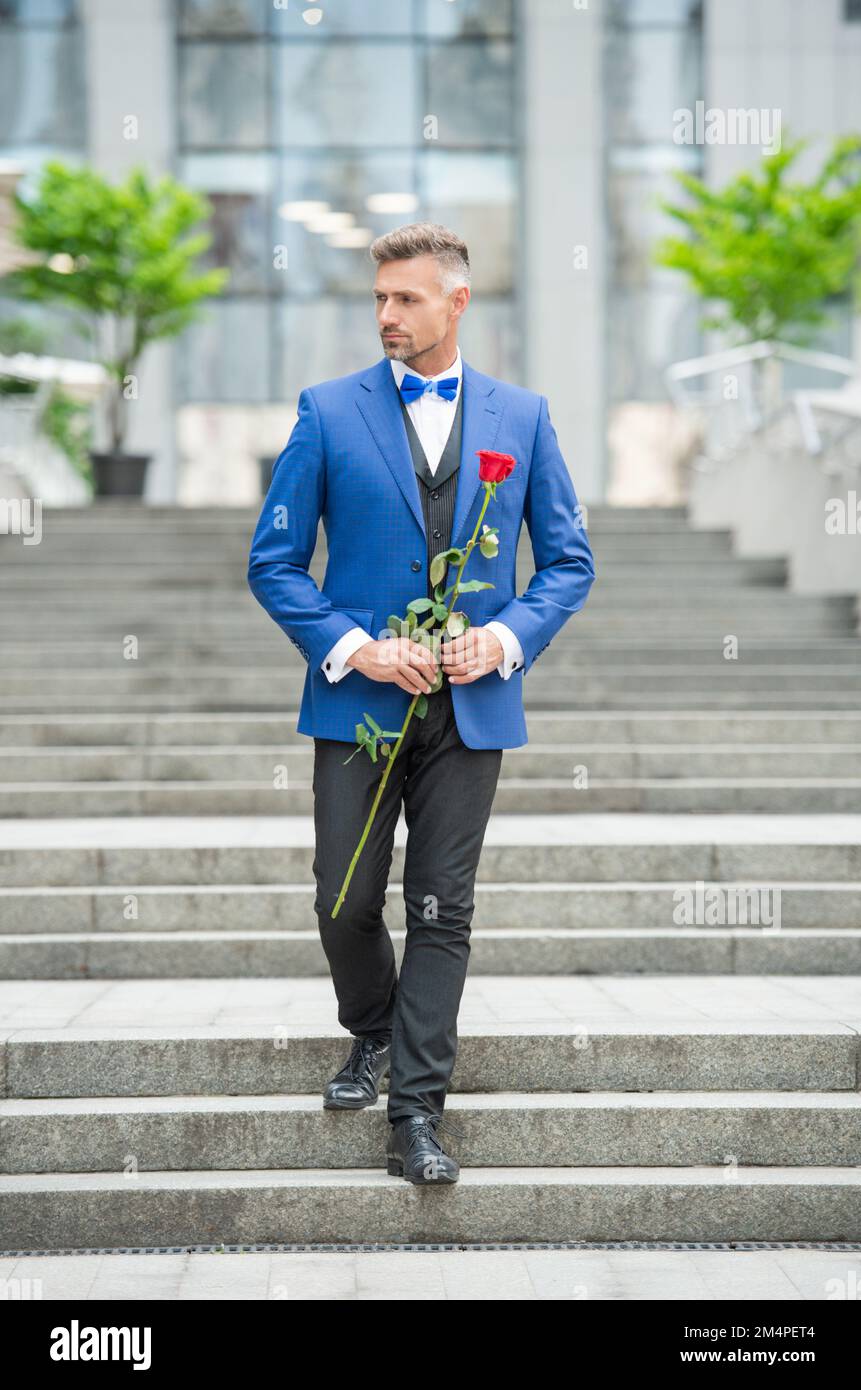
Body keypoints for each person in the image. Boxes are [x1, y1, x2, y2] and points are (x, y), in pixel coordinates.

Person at [247, 222, 595, 1185]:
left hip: (468, 711)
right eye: (378, 299)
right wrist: (357, 647)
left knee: (442, 909)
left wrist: (507, 637)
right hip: (359, 706)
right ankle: (370, 1027)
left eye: (405, 298)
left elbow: (568, 561)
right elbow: (273, 565)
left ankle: (415, 1115)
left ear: (457, 302)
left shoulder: (522, 417)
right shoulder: (326, 411)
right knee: (343, 895)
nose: (387, 315)